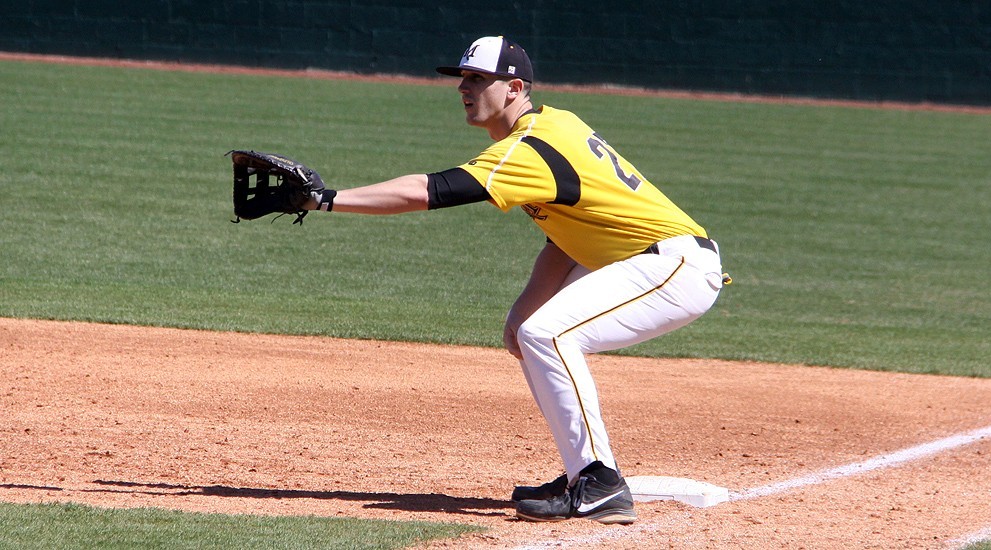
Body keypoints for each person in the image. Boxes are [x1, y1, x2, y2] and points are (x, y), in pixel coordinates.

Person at [304, 36, 727, 525]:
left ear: (514, 87)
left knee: (547, 334)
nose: (463, 87)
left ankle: (600, 483)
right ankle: (582, 472)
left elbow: (429, 191)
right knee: (533, 332)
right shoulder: (553, 125)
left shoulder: (529, 147)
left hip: (671, 267)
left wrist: (324, 198)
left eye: (477, 79)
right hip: (644, 261)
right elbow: (566, 232)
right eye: (461, 78)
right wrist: (525, 304)